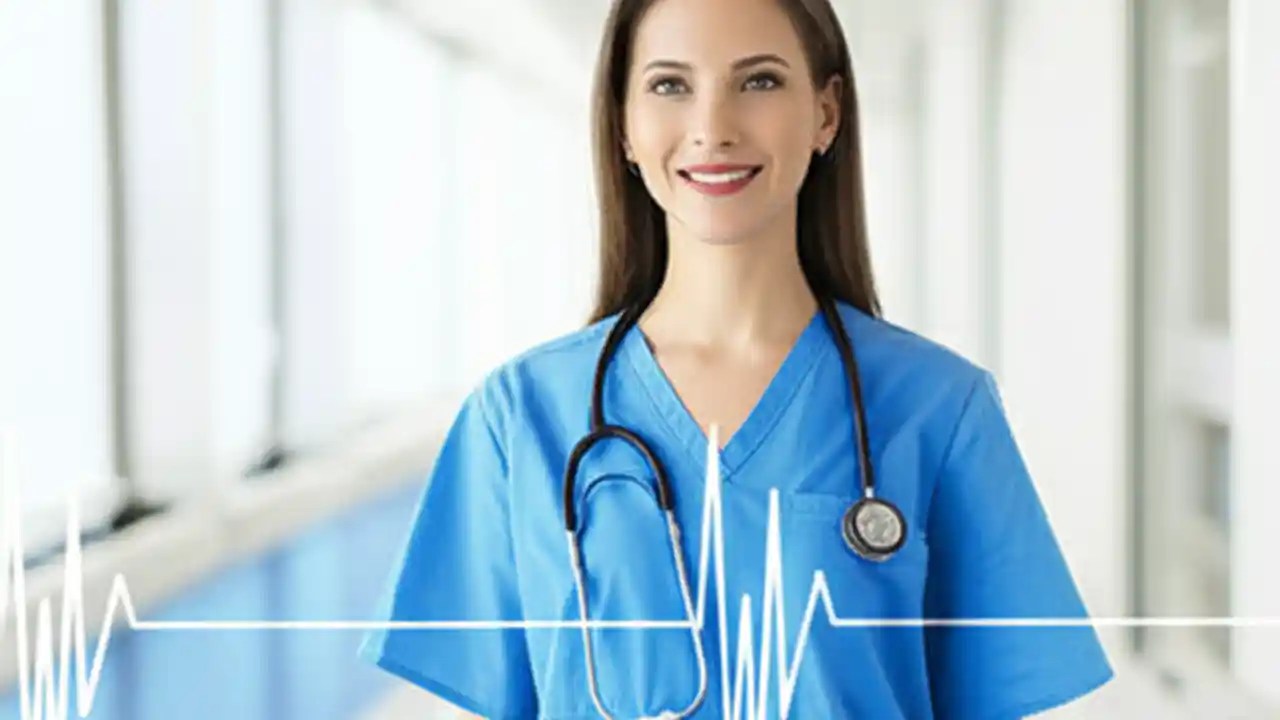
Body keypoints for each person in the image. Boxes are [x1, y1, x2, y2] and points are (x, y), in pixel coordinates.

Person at [358, 0, 1115, 716]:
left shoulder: (939, 410)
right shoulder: (521, 415)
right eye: (669, 85)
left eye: (757, 81)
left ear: (825, 112)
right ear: (622, 126)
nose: (712, 127)